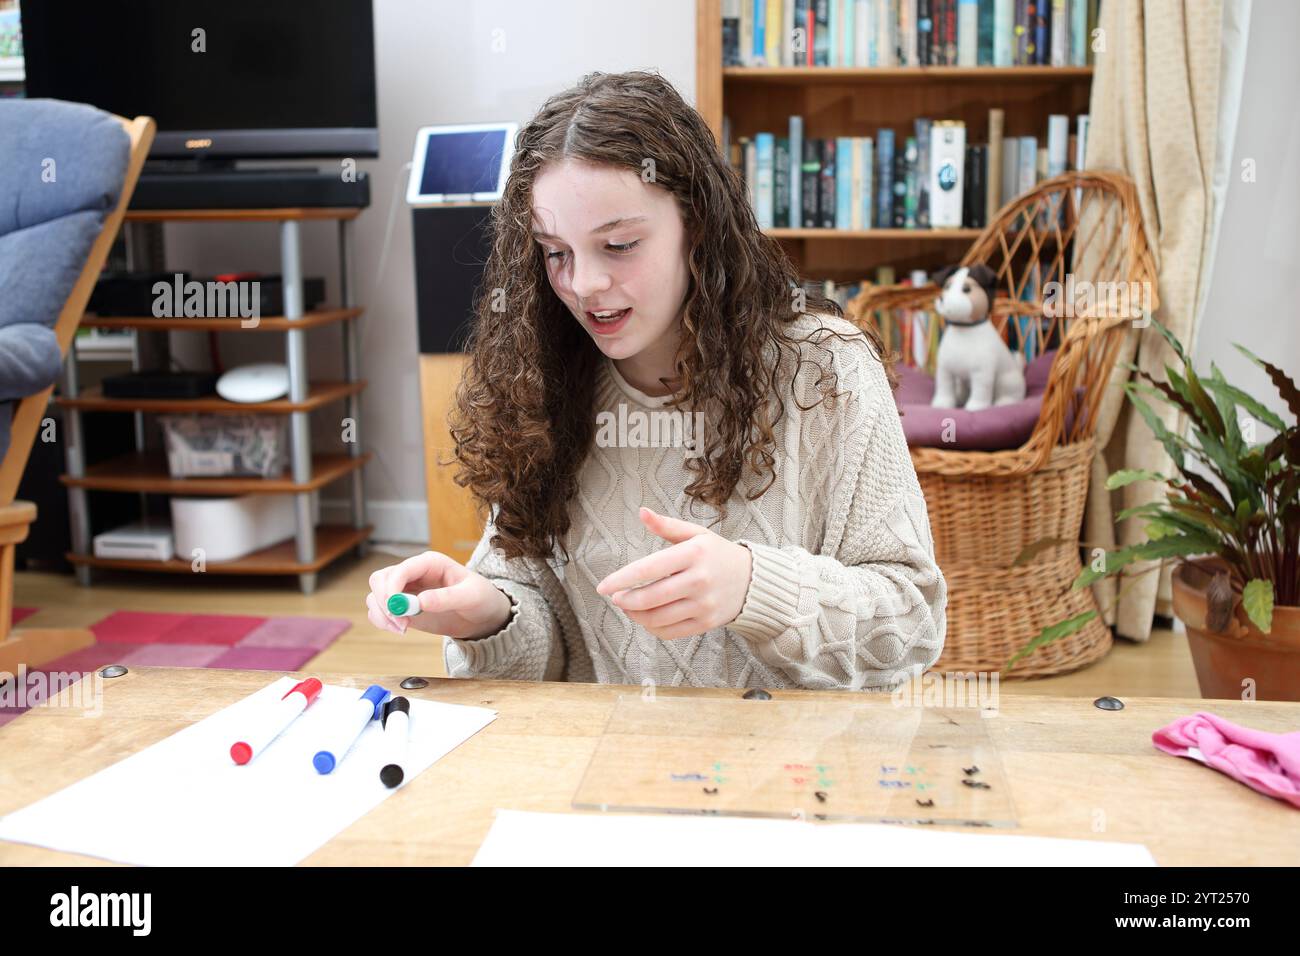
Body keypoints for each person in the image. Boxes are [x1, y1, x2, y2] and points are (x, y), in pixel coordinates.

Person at [366, 70, 946, 690]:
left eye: (618, 245)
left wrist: (757, 588)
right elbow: (552, 648)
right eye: (556, 251)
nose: (583, 284)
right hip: (614, 768)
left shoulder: (827, 371)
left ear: (698, 227)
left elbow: (910, 626)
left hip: (800, 770)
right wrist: (488, 617)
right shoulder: (542, 381)